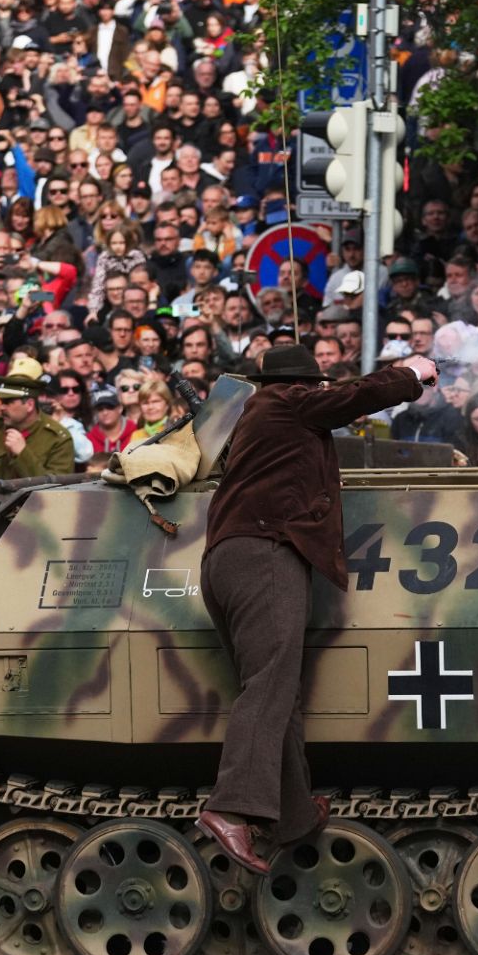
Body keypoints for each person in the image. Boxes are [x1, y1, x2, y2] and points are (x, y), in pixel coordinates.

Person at [194, 344, 436, 873]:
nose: (322, 394)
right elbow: (359, 395)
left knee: (275, 685)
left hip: (232, 558)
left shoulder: (260, 415)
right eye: (316, 387)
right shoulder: (288, 404)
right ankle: (231, 807)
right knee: (272, 681)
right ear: (302, 385)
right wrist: (412, 374)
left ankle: (295, 815)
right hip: (265, 554)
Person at [0, 358, 73, 482]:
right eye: (2, 401)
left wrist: (23, 454)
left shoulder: (58, 438)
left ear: (29, 405)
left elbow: (58, 489)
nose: (1, 407)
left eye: (8, 402)